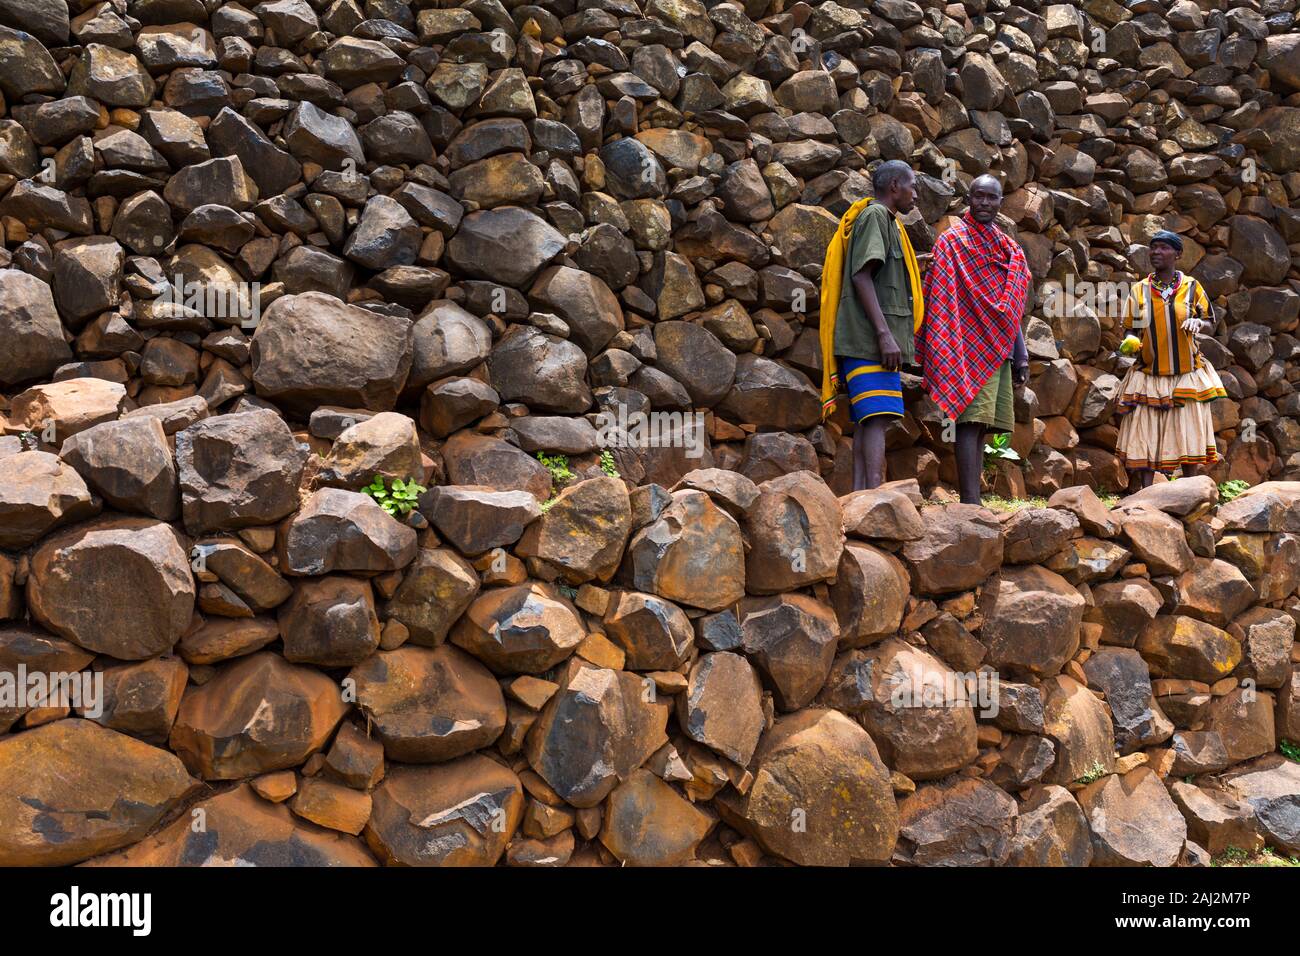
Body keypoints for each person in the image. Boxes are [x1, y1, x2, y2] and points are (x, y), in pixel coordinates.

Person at [917, 174, 1032, 505]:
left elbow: (1010, 311)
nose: (984, 203)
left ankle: (973, 497)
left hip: (998, 350)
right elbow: (938, 299)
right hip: (963, 348)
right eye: (978, 196)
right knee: (969, 421)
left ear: (1000, 202)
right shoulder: (952, 242)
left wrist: (1020, 354)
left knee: (982, 424)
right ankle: (970, 501)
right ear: (969, 199)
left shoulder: (1008, 249)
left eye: (991, 197)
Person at [818, 160, 925, 490]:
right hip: (870, 340)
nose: (916, 195)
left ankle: (861, 495)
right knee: (876, 419)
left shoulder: (887, 222)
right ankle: (875, 495)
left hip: (869, 341)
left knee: (868, 419)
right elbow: (861, 275)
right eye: (912, 186)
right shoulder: (877, 216)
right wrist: (885, 336)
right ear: (894, 186)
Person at [1114, 230, 1226, 488]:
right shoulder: (1139, 290)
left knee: (1188, 430)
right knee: (1146, 430)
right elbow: (1131, 328)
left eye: (1163, 248)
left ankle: (1190, 490)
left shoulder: (1192, 287)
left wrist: (1198, 321)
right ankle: (1146, 492)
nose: (1156, 252)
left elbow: (1209, 321)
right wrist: (1130, 341)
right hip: (1149, 373)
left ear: (1178, 254)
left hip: (1186, 372)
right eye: (1153, 248)